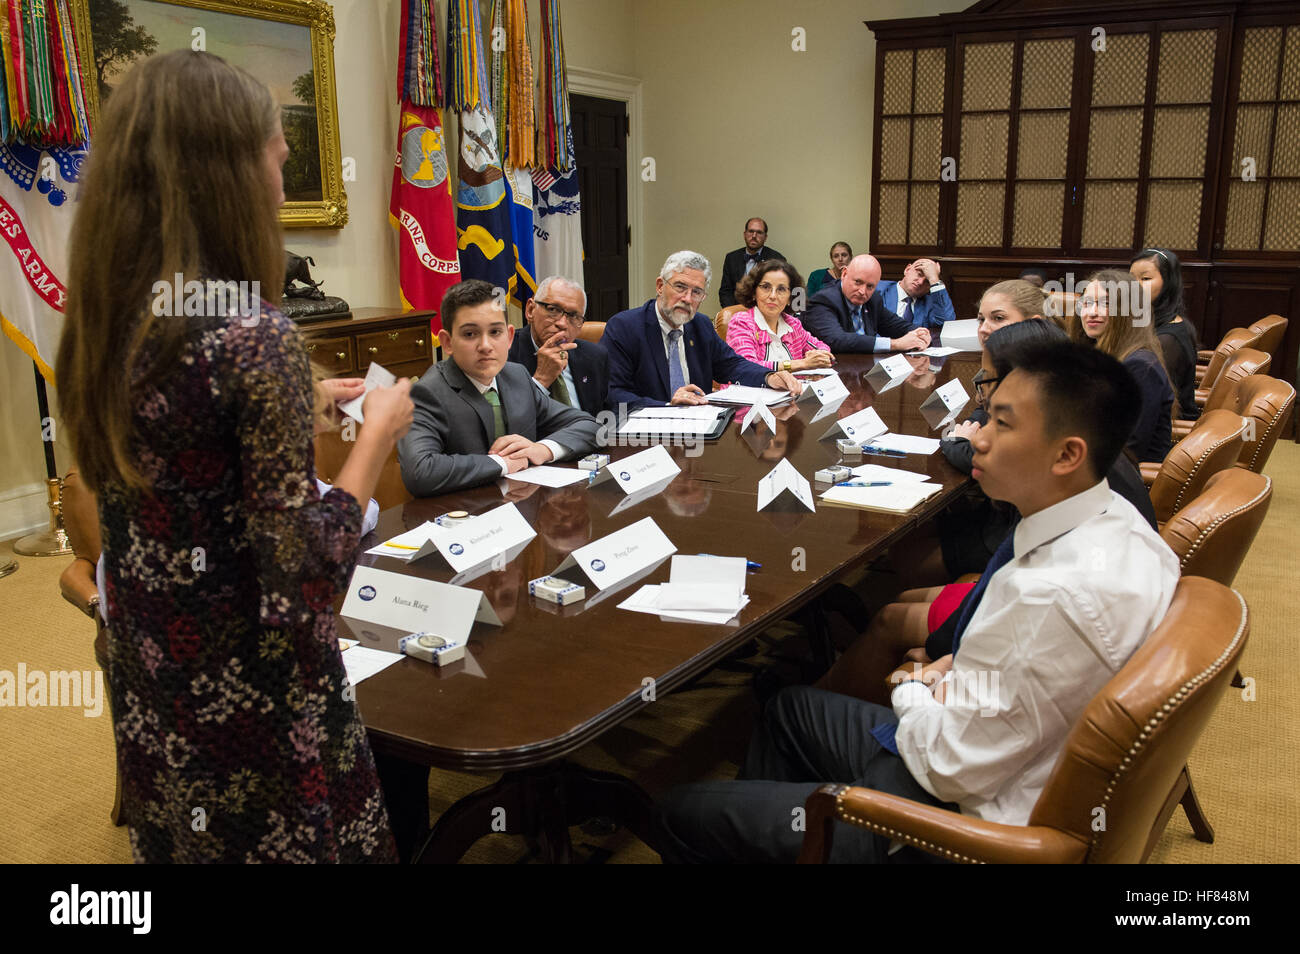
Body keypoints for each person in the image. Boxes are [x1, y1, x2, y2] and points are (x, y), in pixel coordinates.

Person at [54, 51, 411, 863]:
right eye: (276, 159)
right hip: (255, 692)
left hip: (159, 668)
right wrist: (378, 432)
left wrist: (303, 402)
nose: (283, 180)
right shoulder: (254, 336)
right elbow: (308, 574)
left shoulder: (113, 319)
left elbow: (178, 445)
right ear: (227, 174)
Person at [658, 339, 1179, 863]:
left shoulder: (1051, 594)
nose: (978, 437)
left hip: (950, 823)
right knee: (789, 709)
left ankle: (833, 834)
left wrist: (914, 687)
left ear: (1068, 454)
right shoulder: (1122, 523)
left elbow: (950, 765)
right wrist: (958, 671)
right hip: (984, 751)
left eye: (1002, 423)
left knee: (679, 810)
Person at [399, 279, 601, 496]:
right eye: (470, 334)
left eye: (495, 332)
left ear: (509, 337)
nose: (485, 346)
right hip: (463, 516)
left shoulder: (517, 376)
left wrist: (541, 450)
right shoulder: (426, 393)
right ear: (447, 343)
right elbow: (420, 471)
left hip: (521, 509)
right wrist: (502, 463)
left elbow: (590, 426)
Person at [602, 251, 804, 410]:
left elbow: (732, 365)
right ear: (660, 286)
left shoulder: (700, 325)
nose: (688, 299)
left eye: (697, 292)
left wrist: (769, 377)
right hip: (645, 439)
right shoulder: (624, 327)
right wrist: (667, 406)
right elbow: (613, 394)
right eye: (680, 287)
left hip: (701, 432)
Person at [1070, 269, 1175, 464]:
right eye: (1087, 303)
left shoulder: (1140, 367)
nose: (1092, 312)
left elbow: (1128, 448)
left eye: (1106, 304)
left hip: (1125, 482)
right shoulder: (1099, 357)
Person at [506, 274, 609, 414]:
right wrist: (542, 379)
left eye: (573, 316)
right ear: (530, 310)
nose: (562, 324)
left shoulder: (595, 357)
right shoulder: (504, 356)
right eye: (553, 310)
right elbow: (508, 423)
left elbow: (609, 416)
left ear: (580, 325)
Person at [801, 254, 930, 354]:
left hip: (864, 369)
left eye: (870, 286)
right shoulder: (824, 300)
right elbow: (837, 340)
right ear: (844, 274)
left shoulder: (873, 299)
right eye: (858, 282)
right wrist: (895, 344)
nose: (863, 291)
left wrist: (919, 333)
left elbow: (894, 325)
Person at [724, 260, 833, 373]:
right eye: (766, 287)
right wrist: (801, 364)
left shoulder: (792, 324)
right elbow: (746, 367)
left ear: (790, 298)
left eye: (781, 289)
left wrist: (819, 354)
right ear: (753, 293)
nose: (773, 296)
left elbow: (821, 346)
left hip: (792, 390)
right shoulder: (741, 321)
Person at [1129, 247, 1199, 421]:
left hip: (1170, 429)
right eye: (1131, 279)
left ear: (1168, 283)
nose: (1135, 286)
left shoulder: (1167, 340)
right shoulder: (1149, 321)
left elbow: (1149, 398)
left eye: (1145, 278)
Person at [874, 257, 956, 333]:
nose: (920, 282)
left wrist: (934, 279)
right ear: (907, 269)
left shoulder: (931, 303)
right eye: (919, 274)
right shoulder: (878, 290)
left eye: (927, 281)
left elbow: (947, 325)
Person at [718, 218, 785, 308]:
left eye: (759, 232)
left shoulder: (777, 259)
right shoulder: (731, 258)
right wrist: (732, 312)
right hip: (737, 312)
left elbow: (780, 292)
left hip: (765, 313)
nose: (754, 236)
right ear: (745, 234)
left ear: (765, 237)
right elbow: (725, 291)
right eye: (751, 231)